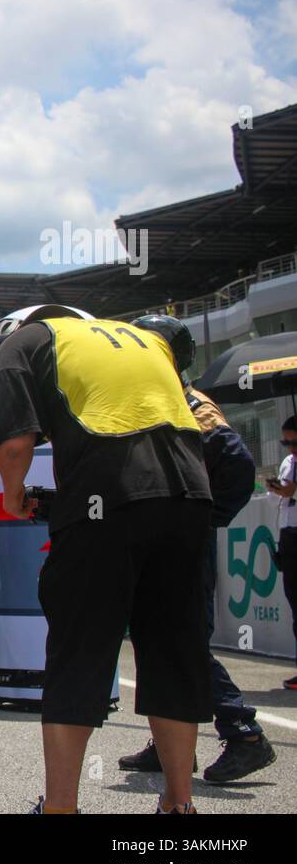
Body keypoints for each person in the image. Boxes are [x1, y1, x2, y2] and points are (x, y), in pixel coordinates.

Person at [0, 304, 212, 815]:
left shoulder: (21, 344)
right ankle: (179, 806)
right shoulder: (138, 338)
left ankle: (61, 807)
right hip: (190, 494)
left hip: (106, 500)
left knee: (78, 651)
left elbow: (15, 444)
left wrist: (15, 497)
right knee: (173, 649)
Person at [114, 314, 276, 782]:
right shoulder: (157, 398)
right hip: (159, 541)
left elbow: (237, 466)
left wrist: (200, 522)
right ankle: (166, 738)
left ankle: (244, 732)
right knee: (153, 639)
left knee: (181, 643)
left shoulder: (191, 403)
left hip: (183, 546)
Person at [266, 415, 297, 693]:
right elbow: (278, 497)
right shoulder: (289, 463)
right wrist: (277, 488)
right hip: (289, 537)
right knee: (294, 601)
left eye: (294, 442)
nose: (290, 447)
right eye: (285, 442)